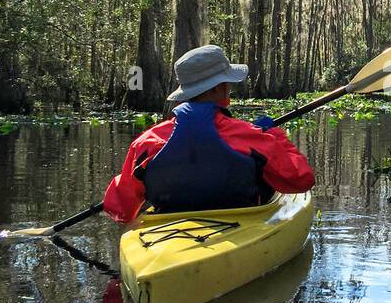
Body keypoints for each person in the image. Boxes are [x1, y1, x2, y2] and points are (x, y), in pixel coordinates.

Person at [103, 45, 314, 222]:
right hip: (240, 221)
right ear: (217, 88)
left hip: (167, 228)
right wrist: (275, 137)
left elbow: (119, 209)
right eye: (227, 83)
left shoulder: (146, 143)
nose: (229, 88)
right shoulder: (249, 136)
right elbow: (301, 180)